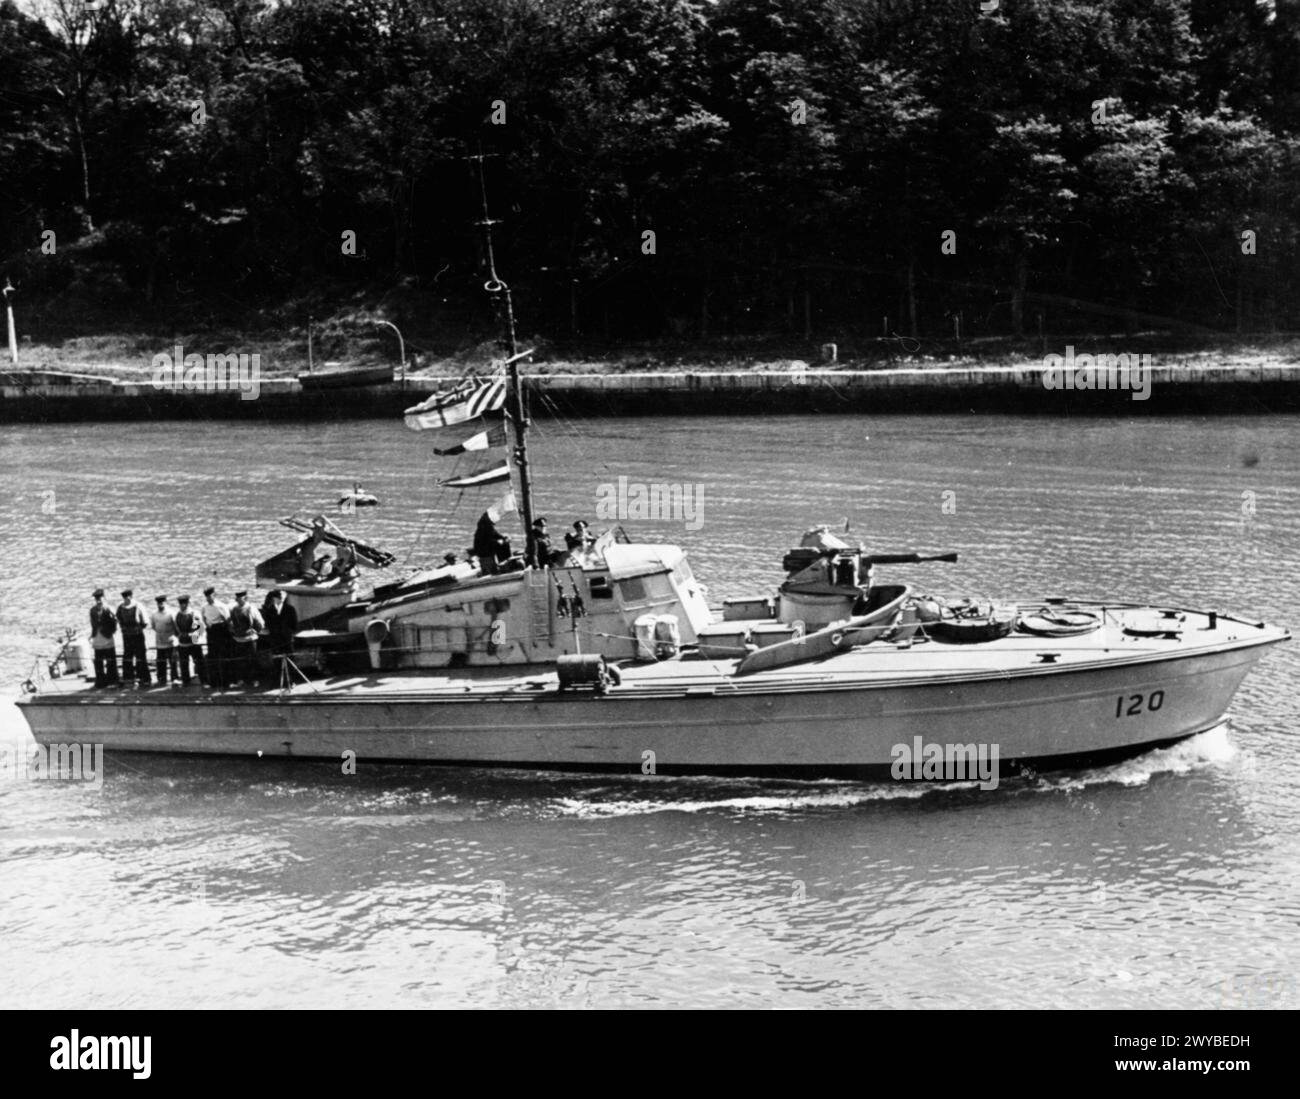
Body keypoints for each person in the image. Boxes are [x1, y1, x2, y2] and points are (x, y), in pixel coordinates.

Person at [227, 590, 265, 687]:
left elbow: (260, 623)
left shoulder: (251, 608)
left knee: (252, 660)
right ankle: (240, 680)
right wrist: (233, 630)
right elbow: (230, 623)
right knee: (239, 661)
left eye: (241, 598)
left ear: (246, 598)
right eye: (238, 599)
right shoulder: (233, 609)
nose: (239, 600)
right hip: (238, 639)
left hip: (250, 639)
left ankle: (254, 680)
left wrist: (255, 631)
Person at [260, 590, 298, 686]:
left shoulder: (290, 609)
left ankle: (290, 681)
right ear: (274, 599)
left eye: (281, 598)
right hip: (275, 640)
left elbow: (294, 624)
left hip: (287, 639)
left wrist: (288, 632)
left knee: (290, 660)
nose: (279, 599)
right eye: (277, 598)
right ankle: (278, 681)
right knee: (277, 661)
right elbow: (267, 624)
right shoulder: (270, 610)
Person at [116, 589, 151, 687]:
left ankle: (144, 678)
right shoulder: (120, 607)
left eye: (128, 596)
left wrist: (138, 629)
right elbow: (118, 619)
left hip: (138, 636)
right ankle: (128, 678)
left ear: (131, 596)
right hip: (127, 636)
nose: (126, 598)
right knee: (127, 657)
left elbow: (145, 622)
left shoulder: (138, 606)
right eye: (124, 597)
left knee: (140, 657)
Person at [201, 586, 232, 688]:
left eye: (210, 596)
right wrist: (207, 624)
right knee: (212, 656)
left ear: (214, 595)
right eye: (207, 597)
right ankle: (214, 682)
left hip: (221, 631)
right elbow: (203, 618)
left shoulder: (221, 606)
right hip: (211, 631)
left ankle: (225, 682)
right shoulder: (204, 607)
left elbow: (227, 619)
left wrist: (222, 626)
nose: (208, 599)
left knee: (223, 656)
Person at [89, 588, 119, 688]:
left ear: (103, 599)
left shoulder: (109, 609)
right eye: (97, 599)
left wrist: (111, 632)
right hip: (97, 638)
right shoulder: (92, 610)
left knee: (111, 661)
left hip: (107, 637)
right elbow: (93, 623)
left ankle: (112, 681)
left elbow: (115, 622)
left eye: (100, 599)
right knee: (98, 662)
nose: (98, 601)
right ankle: (100, 681)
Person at [174, 595, 205, 686]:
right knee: (183, 664)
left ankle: (204, 681)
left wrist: (192, 638)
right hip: (182, 644)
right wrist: (180, 636)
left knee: (199, 662)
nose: (183, 606)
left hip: (194, 643)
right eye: (181, 604)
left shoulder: (194, 613)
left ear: (188, 603)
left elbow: (200, 629)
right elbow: (176, 629)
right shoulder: (178, 615)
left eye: (185, 604)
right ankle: (185, 682)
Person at [150, 594, 179, 685]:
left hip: (170, 641)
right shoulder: (154, 614)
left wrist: (175, 639)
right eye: (159, 603)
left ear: (166, 603)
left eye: (162, 603)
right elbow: (154, 626)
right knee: (161, 662)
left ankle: (174, 678)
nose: (160, 605)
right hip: (160, 642)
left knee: (173, 662)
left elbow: (176, 628)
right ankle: (162, 679)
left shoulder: (171, 613)